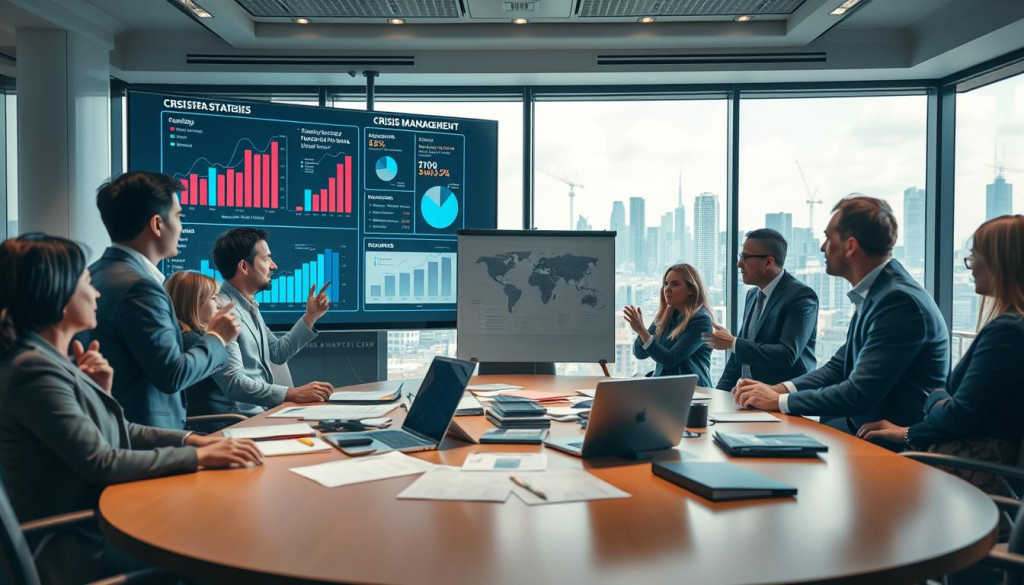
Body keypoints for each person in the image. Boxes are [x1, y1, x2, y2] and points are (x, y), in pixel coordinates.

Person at [0, 234, 263, 584]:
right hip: (80, 542)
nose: (96, 293)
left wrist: (191, 441)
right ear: (58, 296)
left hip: (97, 520)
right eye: (85, 284)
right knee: (223, 542)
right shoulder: (32, 371)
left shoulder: (51, 362)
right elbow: (101, 461)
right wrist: (198, 459)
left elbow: (120, 431)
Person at [734, 195, 949, 438]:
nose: (822, 247)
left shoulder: (898, 301)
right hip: (857, 428)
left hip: (886, 441)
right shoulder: (879, 291)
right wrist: (779, 390)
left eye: (828, 238)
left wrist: (781, 401)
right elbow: (839, 366)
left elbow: (859, 393)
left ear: (850, 246)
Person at [858, 215, 1024, 478]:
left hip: (972, 471)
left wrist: (933, 399)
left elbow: (961, 414)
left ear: (998, 262)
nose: (971, 267)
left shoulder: (1008, 331)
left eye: (974, 256)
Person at [84, 172, 241, 429]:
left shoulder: (93, 274)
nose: (181, 226)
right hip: (145, 439)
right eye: (178, 216)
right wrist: (217, 338)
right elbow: (173, 375)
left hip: (111, 431)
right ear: (157, 224)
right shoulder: (141, 288)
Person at [211, 228, 334, 413]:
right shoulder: (223, 311)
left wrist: (311, 316)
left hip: (264, 411)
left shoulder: (248, 305)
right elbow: (234, 383)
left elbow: (277, 353)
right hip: (243, 419)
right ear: (244, 267)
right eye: (266, 258)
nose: (273, 265)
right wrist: (290, 393)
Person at [707, 228, 818, 391]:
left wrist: (734, 343)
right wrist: (719, 395)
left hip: (784, 400)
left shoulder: (801, 296)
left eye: (745, 257)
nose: (739, 264)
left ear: (768, 262)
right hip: (749, 397)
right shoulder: (753, 295)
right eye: (740, 257)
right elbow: (738, 357)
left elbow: (787, 354)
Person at [164, 270, 241, 428]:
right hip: (218, 424)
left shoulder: (183, 337)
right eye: (213, 298)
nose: (219, 304)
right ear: (194, 303)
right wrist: (224, 336)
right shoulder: (191, 341)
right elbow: (234, 382)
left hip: (221, 420)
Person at [625, 263, 715, 387]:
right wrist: (640, 330)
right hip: (666, 389)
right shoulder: (665, 315)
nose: (667, 289)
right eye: (666, 283)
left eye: (675, 284)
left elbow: (670, 360)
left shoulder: (701, 320)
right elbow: (640, 353)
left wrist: (641, 330)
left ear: (691, 290)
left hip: (693, 392)